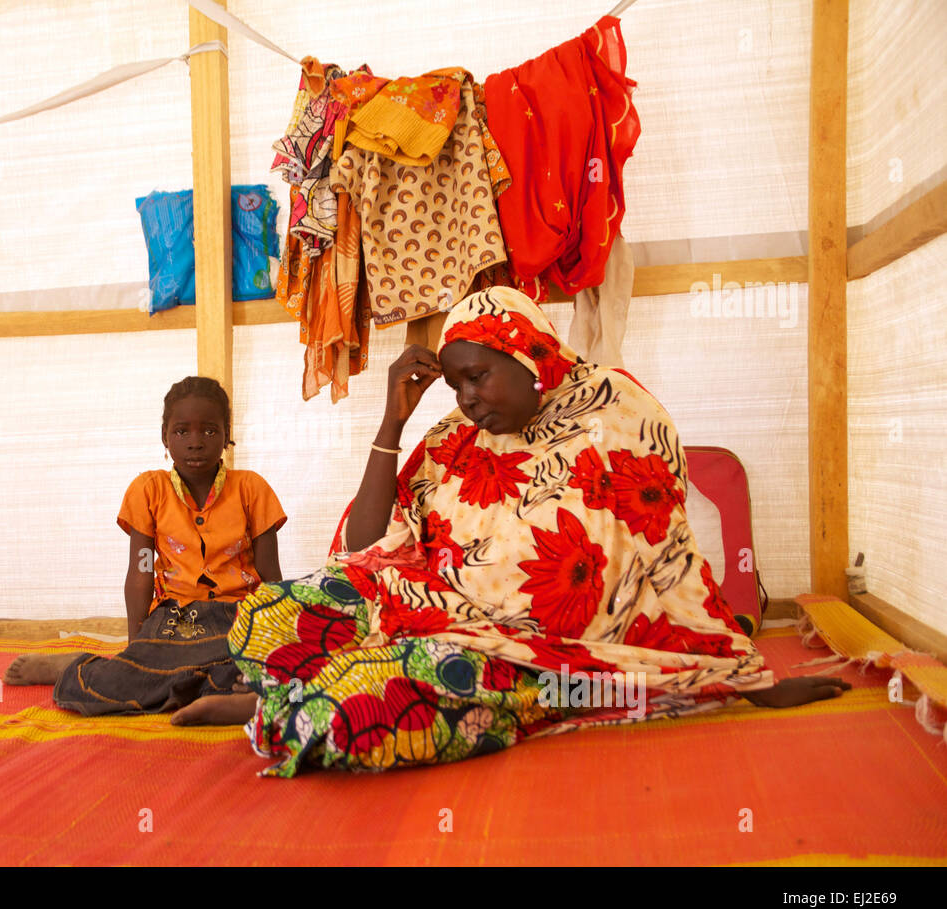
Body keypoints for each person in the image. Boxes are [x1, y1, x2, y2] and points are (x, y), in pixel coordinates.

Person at [183, 287, 847, 776]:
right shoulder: (454, 441)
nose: (467, 397)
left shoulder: (616, 413)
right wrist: (392, 422)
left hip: (535, 659)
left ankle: (281, 706)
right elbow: (359, 547)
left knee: (373, 704)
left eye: (479, 376)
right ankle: (284, 693)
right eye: (454, 384)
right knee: (269, 617)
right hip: (422, 609)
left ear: (527, 353)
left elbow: (667, 561)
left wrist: (750, 683)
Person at [4, 376, 286, 718]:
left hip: (239, 618)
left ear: (227, 435)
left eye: (209, 431)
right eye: (182, 432)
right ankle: (71, 667)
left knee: (278, 674)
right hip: (175, 620)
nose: (195, 443)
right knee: (130, 678)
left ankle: (230, 698)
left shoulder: (252, 489)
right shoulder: (148, 490)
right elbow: (140, 572)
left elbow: (272, 577)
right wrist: (136, 649)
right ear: (164, 436)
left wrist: (279, 639)